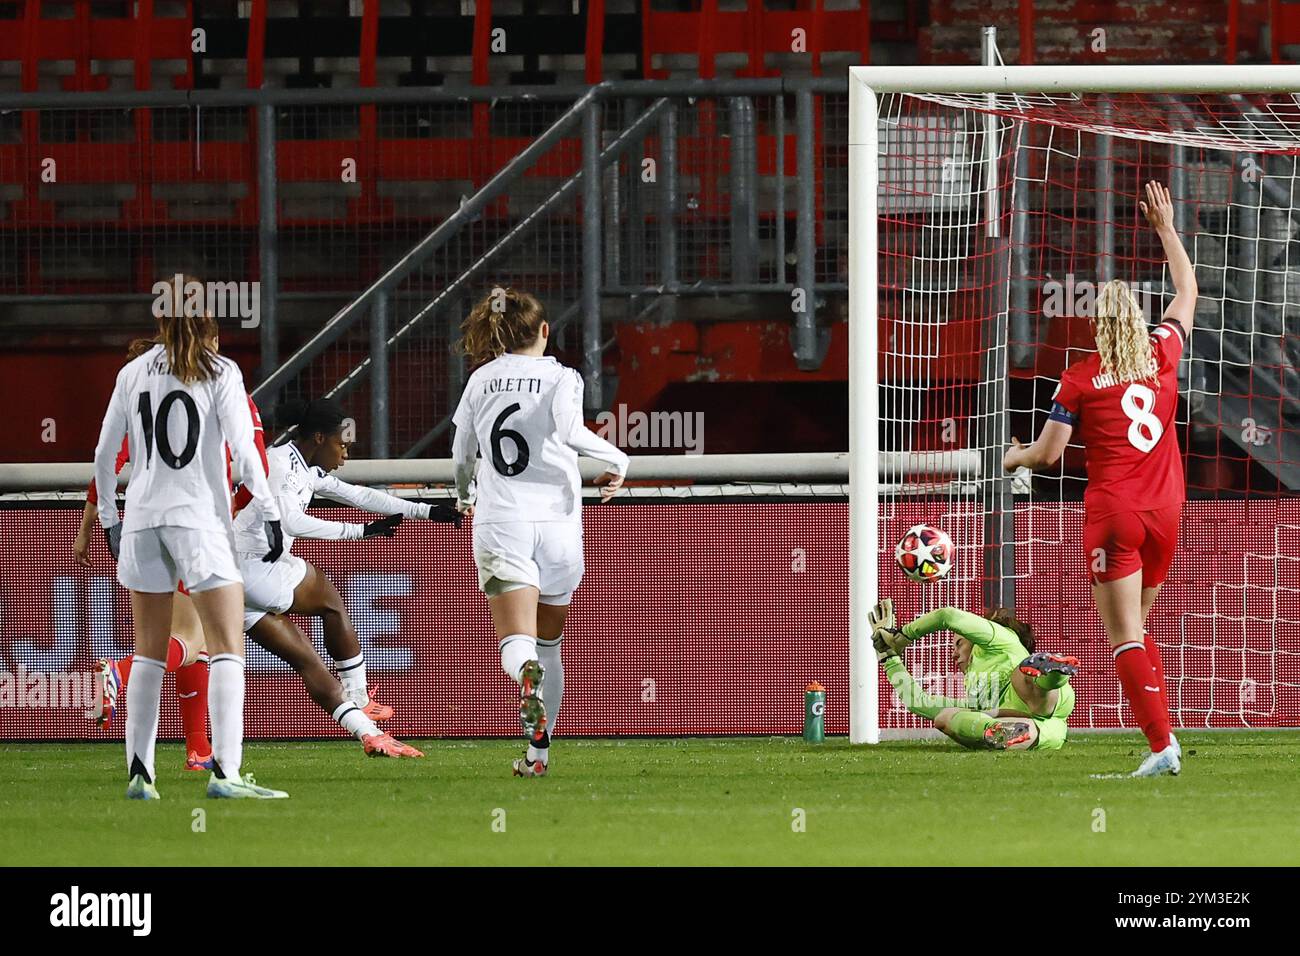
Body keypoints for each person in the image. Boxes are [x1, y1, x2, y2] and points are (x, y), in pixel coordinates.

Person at [1004, 181, 1193, 777]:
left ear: (1094, 326)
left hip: (1115, 516)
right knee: (1140, 630)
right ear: (1138, 322)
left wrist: (1011, 457)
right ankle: (1164, 737)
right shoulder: (1163, 355)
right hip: (1167, 511)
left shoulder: (1079, 378)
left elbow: (1049, 457)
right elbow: (1186, 290)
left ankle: (1161, 746)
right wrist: (1164, 227)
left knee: (1124, 638)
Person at [93, 304, 287, 799]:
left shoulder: (132, 371)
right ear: (212, 331)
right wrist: (269, 513)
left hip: (141, 520)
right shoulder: (220, 370)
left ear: (159, 325)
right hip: (198, 520)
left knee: (150, 651)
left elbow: (103, 454)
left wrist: (112, 522)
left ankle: (140, 774)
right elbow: (245, 451)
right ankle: (226, 772)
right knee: (225, 646)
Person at [451, 287, 629, 777]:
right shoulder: (562, 376)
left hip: (502, 519)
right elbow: (572, 432)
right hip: (559, 524)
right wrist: (618, 458)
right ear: (545, 332)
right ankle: (538, 757)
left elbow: (463, 452)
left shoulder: (480, 379)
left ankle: (521, 676)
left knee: (517, 640)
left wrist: (465, 495)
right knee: (550, 644)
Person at [230, 396, 460, 734]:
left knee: (307, 660)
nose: (346, 453)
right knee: (330, 599)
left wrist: (426, 511)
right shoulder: (278, 465)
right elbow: (291, 522)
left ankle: (364, 729)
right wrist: (359, 531)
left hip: (235, 581)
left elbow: (358, 495)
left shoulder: (302, 468)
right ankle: (359, 695)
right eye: (342, 443)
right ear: (320, 438)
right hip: (255, 567)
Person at [870, 600, 1078, 751]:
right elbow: (917, 701)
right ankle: (1000, 732)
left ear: (975, 638)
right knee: (944, 718)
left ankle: (1053, 672)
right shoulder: (979, 696)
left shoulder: (1001, 639)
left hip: (1040, 696)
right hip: (1044, 729)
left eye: (959, 643)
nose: (953, 654)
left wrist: (903, 635)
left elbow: (947, 616)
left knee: (1022, 678)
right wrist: (888, 657)